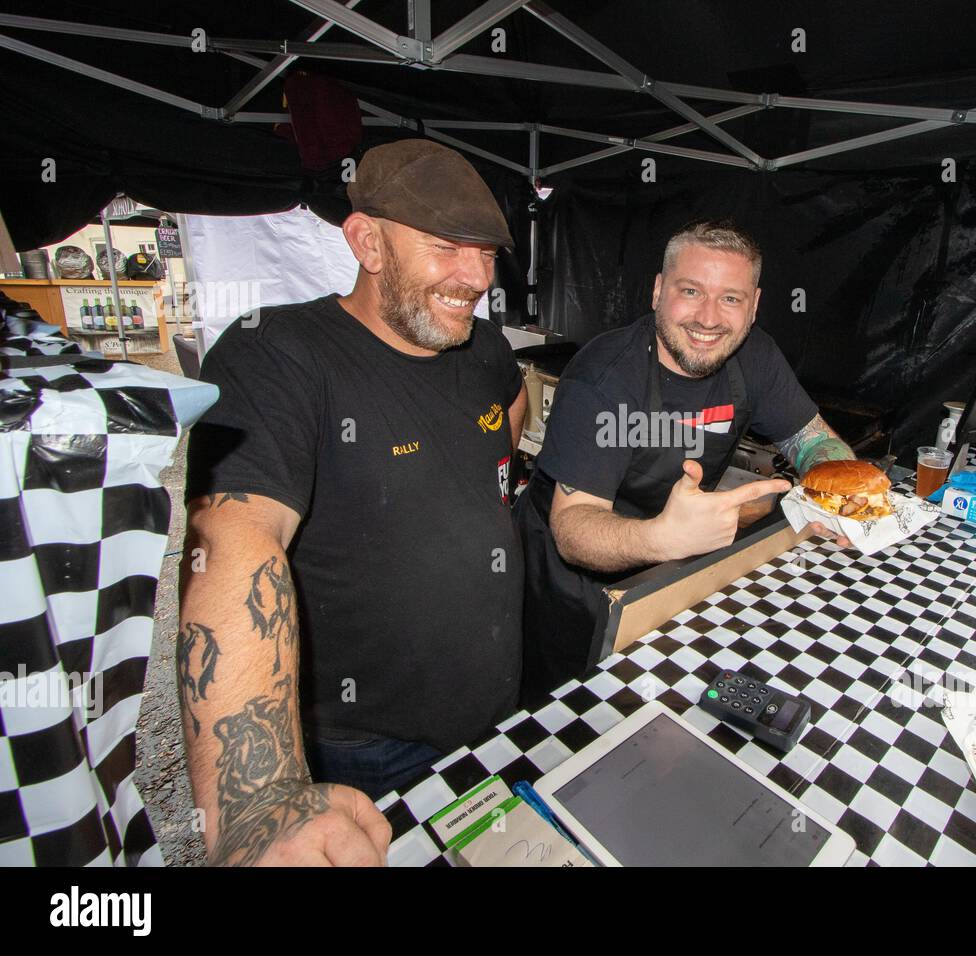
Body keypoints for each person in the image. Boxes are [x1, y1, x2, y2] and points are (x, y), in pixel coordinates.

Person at [179, 140, 528, 866]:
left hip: (497, 711)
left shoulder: (486, 349)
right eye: (446, 248)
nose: (475, 277)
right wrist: (259, 798)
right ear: (367, 240)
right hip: (372, 748)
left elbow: (510, 409)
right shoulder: (273, 353)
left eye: (487, 253)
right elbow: (234, 539)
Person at [515, 220, 870, 702]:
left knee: (657, 701)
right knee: (575, 713)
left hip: (672, 565)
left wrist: (841, 493)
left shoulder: (755, 355)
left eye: (730, 298)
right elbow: (573, 529)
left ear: (754, 307)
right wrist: (664, 537)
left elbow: (810, 439)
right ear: (658, 291)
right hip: (573, 580)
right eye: (690, 290)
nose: (709, 318)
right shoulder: (604, 378)